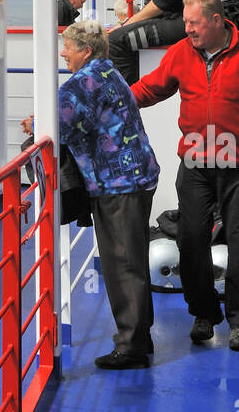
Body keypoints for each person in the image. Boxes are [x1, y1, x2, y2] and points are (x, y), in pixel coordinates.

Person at [131, 0, 239, 352]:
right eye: (186, 23)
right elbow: (150, 89)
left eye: (194, 23)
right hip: (195, 164)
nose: (187, 29)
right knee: (190, 239)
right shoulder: (180, 53)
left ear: (217, 20)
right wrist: (111, 99)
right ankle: (203, 313)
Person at [23, 21, 160, 369]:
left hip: (119, 183)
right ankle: (140, 336)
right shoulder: (107, 72)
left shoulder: (84, 82)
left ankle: (132, 347)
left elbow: (57, 122)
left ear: (85, 51)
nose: (62, 52)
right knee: (132, 259)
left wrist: (33, 125)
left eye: (67, 46)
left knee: (122, 265)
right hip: (135, 176)